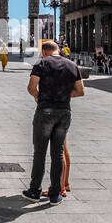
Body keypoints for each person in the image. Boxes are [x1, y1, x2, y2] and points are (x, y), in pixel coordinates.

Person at [24, 40, 83, 204]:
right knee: (57, 154)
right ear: (58, 50)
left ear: (44, 52)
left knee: (40, 153)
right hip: (64, 112)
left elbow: (31, 87)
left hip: (45, 111)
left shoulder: (41, 64)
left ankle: (34, 191)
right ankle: (55, 194)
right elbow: (80, 91)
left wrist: (38, 96)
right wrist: (63, 96)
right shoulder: (72, 65)